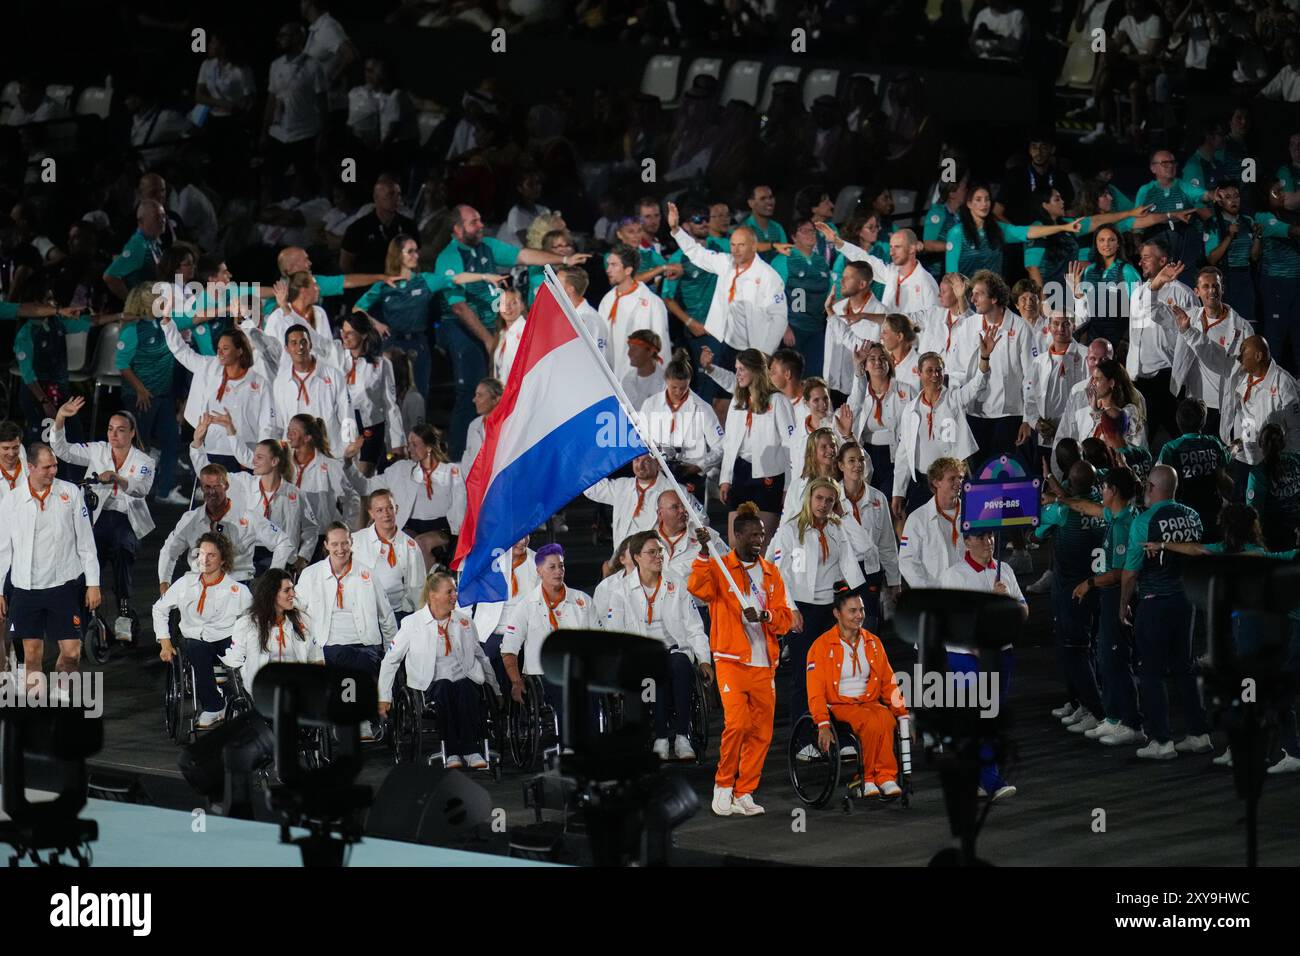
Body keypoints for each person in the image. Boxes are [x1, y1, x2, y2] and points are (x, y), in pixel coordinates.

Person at [433, 204, 584, 459]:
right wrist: (489, 340)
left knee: (498, 387)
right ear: (457, 229)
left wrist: (565, 260)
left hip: (494, 325)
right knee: (471, 389)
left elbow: (525, 256)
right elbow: (458, 306)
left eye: (481, 220)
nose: (481, 225)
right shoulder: (449, 257)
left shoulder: (488, 246)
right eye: (474, 222)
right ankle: (460, 457)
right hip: (461, 327)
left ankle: (498, 449)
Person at [687, 503, 794, 817]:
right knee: (737, 724)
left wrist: (764, 616)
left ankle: (745, 791)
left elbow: (786, 619)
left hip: (764, 663)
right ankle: (723, 786)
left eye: (760, 534)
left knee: (762, 732)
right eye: (751, 535)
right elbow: (698, 589)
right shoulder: (720, 568)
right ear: (736, 537)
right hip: (731, 659)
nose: (758, 540)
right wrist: (704, 553)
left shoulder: (772, 573)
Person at [1120, 464, 1211, 759]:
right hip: (1186, 602)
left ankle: (1161, 740)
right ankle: (1199, 733)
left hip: (1155, 601)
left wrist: (1123, 603)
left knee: (1151, 671)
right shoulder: (1193, 515)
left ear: (1151, 488)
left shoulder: (1143, 522)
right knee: (1183, 667)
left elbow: (1131, 572)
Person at [352, 233, 506, 398]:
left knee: (419, 394)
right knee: (390, 394)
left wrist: (484, 276)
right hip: (392, 343)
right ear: (397, 255)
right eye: (410, 251)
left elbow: (456, 278)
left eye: (417, 251)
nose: (416, 255)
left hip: (418, 343)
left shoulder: (425, 280)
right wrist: (376, 324)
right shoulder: (385, 285)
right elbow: (357, 308)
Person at [0, 444, 101, 695]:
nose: (53, 471)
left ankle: (61, 696)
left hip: (64, 586)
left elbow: (86, 542)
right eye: (47, 467)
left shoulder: (70, 493)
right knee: (32, 656)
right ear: (31, 467)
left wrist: (93, 583)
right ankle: (35, 714)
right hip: (26, 589)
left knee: (72, 654)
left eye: (55, 465)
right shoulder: (11, 501)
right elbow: (3, 550)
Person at [768, 477, 866, 733]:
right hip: (802, 608)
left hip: (831, 609)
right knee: (803, 675)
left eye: (829, 500)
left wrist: (854, 606)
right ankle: (802, 738)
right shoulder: (790, 530)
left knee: (837, 674)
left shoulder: (837, 527)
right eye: (819, 498)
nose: (823, 504)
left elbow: (854, 560)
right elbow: (780, 574)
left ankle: (839, 734)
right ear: (809, 498)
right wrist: (791, 609)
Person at [1170, 307, 1300, 499]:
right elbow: (1213, 354)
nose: (1238, 357)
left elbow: (1296, 431)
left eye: (1243, 352)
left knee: (1267, 511)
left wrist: (1289, 465)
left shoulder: (1284, 385)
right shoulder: (1239, 369)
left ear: (1258, 356)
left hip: (1270, 462)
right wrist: (1188, 331)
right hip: (1243, 456)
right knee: (1241, 503)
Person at [938, 527, 1027, 800]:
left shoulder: (1005, 571)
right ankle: (992, 781)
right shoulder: (954, 576)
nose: (988, 542)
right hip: (964, 656)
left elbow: (1023, 612)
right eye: (980, 537)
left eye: (990, 536)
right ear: (966, 541)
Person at [49, 397, 155, 628]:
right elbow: (62, 450)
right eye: (110, 429)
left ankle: (124, 611)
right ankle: (86, 616)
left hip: (126, 517)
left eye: (120, 430)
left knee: (122, 550)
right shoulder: (97, 450)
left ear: (132, 433)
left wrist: (117, 478)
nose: (113, 435)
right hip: (96, 516)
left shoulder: (144, 461)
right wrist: (60, 418)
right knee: (83, 558)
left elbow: (141, 488)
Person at [607, 530, 712, 761]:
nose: (658, 556)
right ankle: (662, 737)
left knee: (678, 664)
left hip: (675, 651)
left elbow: (694, 627)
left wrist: (704, 659)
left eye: (660, 551)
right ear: (637, 557)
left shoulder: (677, 585)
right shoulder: (621, 592)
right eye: (651, 552)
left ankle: (682, 736)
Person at [378, 570, 499, 770]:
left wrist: (496, 689)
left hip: (464, 676)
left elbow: (481, 657)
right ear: (433, 595)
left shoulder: (464, 622)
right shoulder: (412, 623)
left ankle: (471, 750)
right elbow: (391, 660)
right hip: (431, 682)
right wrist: (384, 696)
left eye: (455, 591)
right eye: (449, 592)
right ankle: (451, 752)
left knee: (467, 688)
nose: (455, 596)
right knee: (444, 688)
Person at [1059, 466, 1145, 745]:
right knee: (1107, 658)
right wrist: (1059, 497)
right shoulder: (1117, 514)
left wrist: (1090, 583)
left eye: (1105, 487)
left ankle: (1131, 722)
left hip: (1117, 595)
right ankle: (1113, 717)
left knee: (1117, 658)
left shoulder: (1123, 526)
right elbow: (1086, 507)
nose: (1101, 491)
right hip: (1110, 596)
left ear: (1115, 491)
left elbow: (1122, 573)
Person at [297, 522, 398, 741]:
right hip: (327, 644)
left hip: (366, 643)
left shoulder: (367, 574)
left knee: (354, 659)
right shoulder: (310, 575)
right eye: (335, 544)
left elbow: (386, 615)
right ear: (326, 545)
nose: (340, 549)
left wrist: (393, 650)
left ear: (351, 543)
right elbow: (297, 614)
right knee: (344, 657)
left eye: (345, 543)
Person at [806, 585, 909, 798]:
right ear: (837, 613)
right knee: (871, 723)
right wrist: (822, 723)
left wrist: (902, 713)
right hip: (840, 704)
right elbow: (815, 690)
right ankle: (867, 778)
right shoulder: (821, 646)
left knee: (887, 719)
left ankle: (886, 776)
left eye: (861, 610)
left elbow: (889, 683)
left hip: (869, 702)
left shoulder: (873, 642)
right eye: (852, 611)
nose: (859, 616)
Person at [667, 201, 787, 371]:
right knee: (720, 392)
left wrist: (765, 353)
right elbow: (697, 253)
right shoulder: (725, 262)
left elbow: (779, 318)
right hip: (726, 342)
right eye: (733, 245)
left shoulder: (768, 276)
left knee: (753, 394)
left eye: (741, 245)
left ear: (754, 247)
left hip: (754, 348)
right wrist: (676, 230)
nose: (735, 250)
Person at [191, 419, 317, 575]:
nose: (253, 461)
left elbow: (311, 529)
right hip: (246, 558)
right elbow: (209, 476)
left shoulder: (295, 495)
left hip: (281, 559)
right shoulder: (243, 482)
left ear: (274, 461)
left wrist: (303, 557)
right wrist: (197, 444)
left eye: (259, 457)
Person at [1036, 461, 1107, 732]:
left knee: (1074, 649)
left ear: (1070, 484)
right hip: (1101, 583)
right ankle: (1081, 703)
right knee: (1093, 647)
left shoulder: (1061, 511)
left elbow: (1039, 529)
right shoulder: (1103, 504)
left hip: (1073, 588)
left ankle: (1095, 709)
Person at [153, 532, 250, 729]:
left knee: (238, 649)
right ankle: (214, 707)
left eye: (211, 555)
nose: (204, 559)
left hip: (226, 637)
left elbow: (253, 620)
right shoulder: (184, 583)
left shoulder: (238, 591)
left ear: (223, 560)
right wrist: (165, 641)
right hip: (195, 639)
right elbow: (159, 608)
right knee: (197, 648)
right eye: (201, 554)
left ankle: (236, 698)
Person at [893, 341, 994, 518]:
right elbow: (903, 453)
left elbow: (977, 386)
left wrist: (984, 358)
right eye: (930, 370)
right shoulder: (910, 410)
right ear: (919, 373)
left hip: (954, 481)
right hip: (924, 482)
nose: (935, 375)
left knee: (960, 522)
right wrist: (898, 492)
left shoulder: (954, 398)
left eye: (939, 370)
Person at [501, 543, 593, 736]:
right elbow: (509, 648)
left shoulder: (582, 601)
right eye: (552, 567)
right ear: (539, 571)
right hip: (543, 673)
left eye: (561, 566)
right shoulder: (525, 606)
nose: (559, 571)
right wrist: (517, 682)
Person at [346, 423, 466, 568]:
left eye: (415, 445)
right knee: (401, 541)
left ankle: (427, 586)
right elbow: (365, 487)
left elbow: (462, 504)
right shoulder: (400, 469)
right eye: (409, 444)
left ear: (429, 447)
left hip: (443, 528)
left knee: (421, 543)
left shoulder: (451, 472)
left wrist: (461, 535)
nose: (409, 449)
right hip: (410, 525)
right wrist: (348, 463)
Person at [158, 463, 295, 589]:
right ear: (201, 488)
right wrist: (164, 582)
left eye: (216, 486)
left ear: (226, 486)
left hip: (237, 584)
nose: (212, 492)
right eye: (207, 487)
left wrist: (272, 578)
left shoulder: (249, 517)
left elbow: (283, 542)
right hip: (198, 585)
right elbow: (169, 550)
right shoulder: (190, 519)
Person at [162, 318, 269, 472]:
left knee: (243, 493)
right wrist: (167, 323)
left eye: (225, 348)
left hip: (245, 448)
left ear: (239, 351)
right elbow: (180, 350)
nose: (219, 352)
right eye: (218, 347)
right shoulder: (208, 365)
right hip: (214, 446)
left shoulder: (257, 374)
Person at [115, 284, 184, 504]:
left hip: (163, 394)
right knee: (140, 447)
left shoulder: (166, 323)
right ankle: (132, 494)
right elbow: (122, 364)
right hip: (141, 397)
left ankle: (164, 491)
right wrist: (140, 389)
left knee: (172, 440)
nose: (161, 300)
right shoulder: (132, 330)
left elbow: (196, 319)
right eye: (156, 297)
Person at [718, 348, 795, 544]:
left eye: (742, 369)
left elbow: (791, 446)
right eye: (736, 369)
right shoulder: (738, 400)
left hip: (769, 476)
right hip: (741, 473)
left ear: (756, 370)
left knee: (761, 543)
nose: (737, 375)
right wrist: (725, 478)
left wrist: (788, 486)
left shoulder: (778, 400)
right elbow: (730, 443)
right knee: (736, 543)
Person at [313, 312, 404, 476]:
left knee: (363, 479)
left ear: (363, 334)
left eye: (350, 333)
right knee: (343, 478)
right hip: (343, 425)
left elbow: (391, 405)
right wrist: (287, 310)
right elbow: (313, 338)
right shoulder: (335, 355)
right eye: (342, 331)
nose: (344, 336)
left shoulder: (381, 364)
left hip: (370, 427)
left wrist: (397, 442)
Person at [817, 222, 938, 331]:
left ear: (912, 248)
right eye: (891, 247)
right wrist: (838, 242)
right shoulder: (891, 272)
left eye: (897, 247)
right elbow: (865, 259)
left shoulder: (926, 283)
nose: (891, 253)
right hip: (888, 345)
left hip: (914, 349)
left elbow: (933, 323)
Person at [637, 350, 724, 501]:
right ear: (666, 381)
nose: (678, 392)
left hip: (690, 475)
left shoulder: (702, 408)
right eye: (674, 387)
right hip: (657, 473)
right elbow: (641, 438)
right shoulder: (650, 404)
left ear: (689, 381)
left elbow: (721, 446)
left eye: (683, 388)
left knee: (693, 521)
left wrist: (699, 465)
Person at [944, 183, 1081, 277]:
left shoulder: (999, 229)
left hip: (993, 299)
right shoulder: (957, 232)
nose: (984, 204)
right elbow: (952, 273)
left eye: (987, 199)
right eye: (978, 200)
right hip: (967, 299)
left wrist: (1064, 227)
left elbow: (1029, 231)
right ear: (969, 204)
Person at [222, 569, 322, 695]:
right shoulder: (246, 624)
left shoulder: (304, 620)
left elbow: (316, 657)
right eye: (287, 590)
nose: (293, 594)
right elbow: (234, 660)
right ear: (272, 594)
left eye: (292, 589)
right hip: (262, 689)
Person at [837, 441, 901, 634]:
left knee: (868, 626)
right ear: (841, 466)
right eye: (851, 460)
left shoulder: (878, 498)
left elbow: (887, 543)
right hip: (842, 572)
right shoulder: (831, 497)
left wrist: (894, 581)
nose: (858, 465)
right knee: (844, 629)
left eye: (861, 460)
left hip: (871, 570)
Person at [262, 324, 356, 456]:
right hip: (294, 456)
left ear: (310, 345)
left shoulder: (333, 375)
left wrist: (348, 449)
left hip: (330, 453)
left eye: (303, 342)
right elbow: (277, 424)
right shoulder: (280, 382)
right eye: (294, 343)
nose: (300, 347)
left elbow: (347, 415)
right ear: (287, 349)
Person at [839, 342, 911, 498]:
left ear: (889, 363)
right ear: (865, 366)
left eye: (882, 358)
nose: (878, 362)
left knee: (890, 500)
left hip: (896, 457)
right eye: (872, 358)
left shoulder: (906, 390)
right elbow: (852, 411)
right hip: (867, 456)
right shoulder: (859, 392)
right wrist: (857, 368)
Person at [1157, 398, 1230, 543]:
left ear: (1178, 420)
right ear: (1203, 422)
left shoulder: (1170, 449)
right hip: (1213, 513)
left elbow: (1159, 481)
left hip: (1183, 519)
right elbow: (1225, 462)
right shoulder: (1213, 442)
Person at [470, 535, 536, 694]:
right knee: (493, 656)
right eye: (517, 537)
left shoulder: (538, 561)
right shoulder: (488, 559)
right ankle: (501, 704)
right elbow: (467, 598)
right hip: (493, 630)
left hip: (525, 631)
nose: (523, 542)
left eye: (526, 535)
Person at [598, 244, 670, 384]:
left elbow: (663, 348)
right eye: (608, 265)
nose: (608, 270)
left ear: (628, 270)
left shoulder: (652, 303)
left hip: (643, 383)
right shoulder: (607, 300)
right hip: (612, 381)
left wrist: (661, 384)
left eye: (613, 265)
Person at [1027, 312, 1089, 473]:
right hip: (1045, 437)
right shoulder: (1039, 361)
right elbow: (1031, 398)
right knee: (1044, 484)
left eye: (1066, 324)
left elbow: (1088, 397)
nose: (1060, 328)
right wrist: (1035, 423)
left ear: (1074, 326)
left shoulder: (1086, 356)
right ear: (1049, 327)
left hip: (1074, 439)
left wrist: (1064, 427)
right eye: (1055, 323)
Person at [772, 219, 834, 378]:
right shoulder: (784, 259)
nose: (810, 234)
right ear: (793, 237)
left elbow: (830, 294)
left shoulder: (821, 262)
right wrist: (784, 327)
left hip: (816, 327)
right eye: (804, 231)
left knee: (815, 377)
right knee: (790, 376)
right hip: (794, 327)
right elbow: (773, 295)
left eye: (812, 231)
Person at [351, 489, 425, 622]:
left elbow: (418, 587)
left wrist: (421, 621)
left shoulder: (410, 546)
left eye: (389, 508)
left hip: (397, 613)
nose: (386, 514)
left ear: (396, 509)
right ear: (371, 513)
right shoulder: (355, 541)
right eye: (379, 510)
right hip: (362, 614)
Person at [584, 454, 676, 555]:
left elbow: (693, 524)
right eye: (636, 459)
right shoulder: (621, 486)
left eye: (646, 461)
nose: (640, 465)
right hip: (623, 561)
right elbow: (591, 488)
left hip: (658, 560)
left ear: (658, 463)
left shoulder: (674, 491)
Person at [899, 457, 967, 589]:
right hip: (933, 595)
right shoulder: (917, 519)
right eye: (952, 479)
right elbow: (907, 561)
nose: (959, 483)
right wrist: (929, 592)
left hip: (969, 594)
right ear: (936, 482)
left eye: (961, 478)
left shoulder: (972, 513)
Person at [823, 261, 887, 400]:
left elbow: (869, 352)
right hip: (832, 388)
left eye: (847, 278)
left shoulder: (880, 313)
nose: (841, 281)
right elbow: (829, 349)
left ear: (862, 284)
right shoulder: (837, 308)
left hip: (861, 392)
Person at [1247, 423, 1300, 552]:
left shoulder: (1257, 474)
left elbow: (1253, 514)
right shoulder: (1297, 460)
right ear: (1283, 443)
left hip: (1274, 538)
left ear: (1260, 444)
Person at [462, 377, 503, 475]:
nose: (474, 400)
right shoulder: (474, 425)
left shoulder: (507, 425)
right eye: (475, 395)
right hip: (477, 487)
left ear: (495, 399)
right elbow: (467, 461)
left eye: (479, 396)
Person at [621, 329, 667, 410]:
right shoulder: (626, 380)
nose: (629, 353)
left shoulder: (666, 383)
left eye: (635, 349)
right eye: (630, 348)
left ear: (651, 351)